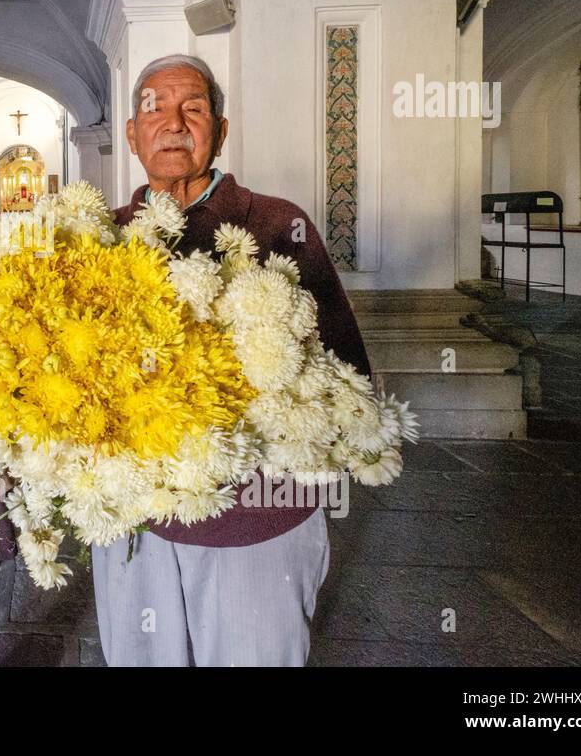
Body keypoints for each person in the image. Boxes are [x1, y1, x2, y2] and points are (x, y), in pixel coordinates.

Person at [91, 54, 372, 666]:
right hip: (131, 517)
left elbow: (349, 376)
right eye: (153, 109)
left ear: (219, 130)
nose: (172, 123)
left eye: (192, 108)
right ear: (133, 135)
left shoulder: (276, 224)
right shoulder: (100, 239)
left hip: (254, 516)